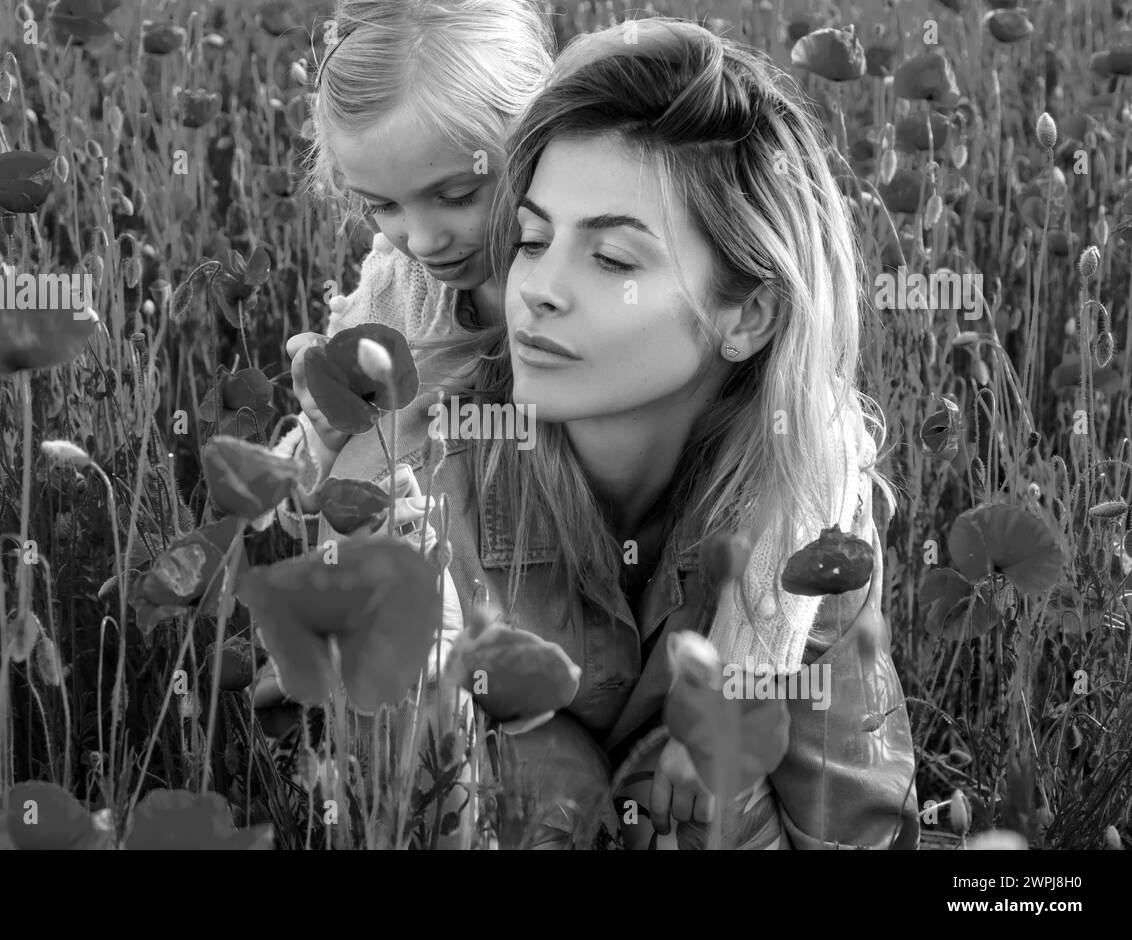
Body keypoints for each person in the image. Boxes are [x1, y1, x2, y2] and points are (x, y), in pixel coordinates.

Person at [274, 16, 920, 850]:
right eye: (532, 239)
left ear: (750, 312)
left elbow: (853, 815)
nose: (534, 289)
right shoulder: (414, 395)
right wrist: (325, 449)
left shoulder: (804, 498)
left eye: (611, 260)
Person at [277, 0, 555, 487]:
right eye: (382, 206)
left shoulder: (594, 280)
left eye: (457, 195)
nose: (424, 242)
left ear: (539, 137)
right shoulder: (393, 290)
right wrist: (325, 439)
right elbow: (300, 512)